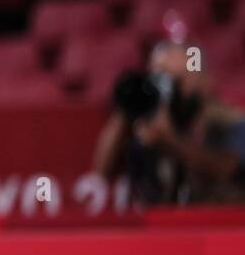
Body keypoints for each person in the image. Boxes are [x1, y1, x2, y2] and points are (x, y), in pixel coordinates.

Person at [95, 39, 245, 204]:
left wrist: (169, 140)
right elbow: (102, 174)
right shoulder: (150, 122)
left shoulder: (228, 121)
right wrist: (125, 112)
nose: (167, 90)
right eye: (157, 79)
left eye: (175, 81)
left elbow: (231, 169)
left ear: (203, 79)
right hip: (162, 224)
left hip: (220, 222)